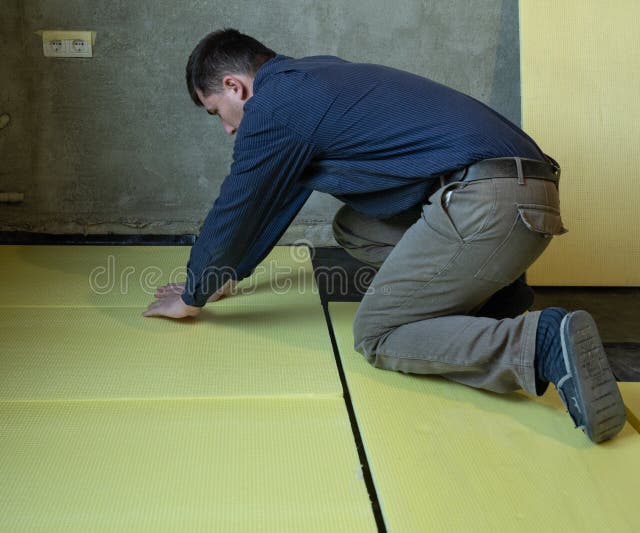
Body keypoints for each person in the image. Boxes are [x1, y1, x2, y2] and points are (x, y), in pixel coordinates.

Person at [143, 28, 626, 443]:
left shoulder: (276, 104)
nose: (227, 129)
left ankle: (538, 342)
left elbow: (239, 203)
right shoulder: (312, 78)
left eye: (216, 111)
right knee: (354, 226)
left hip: (490, 206)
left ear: (235, 86)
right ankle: (491, 303)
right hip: (526, 202)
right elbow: (275, 199)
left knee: (378, 334)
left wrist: (192, 293)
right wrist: (227, 273)